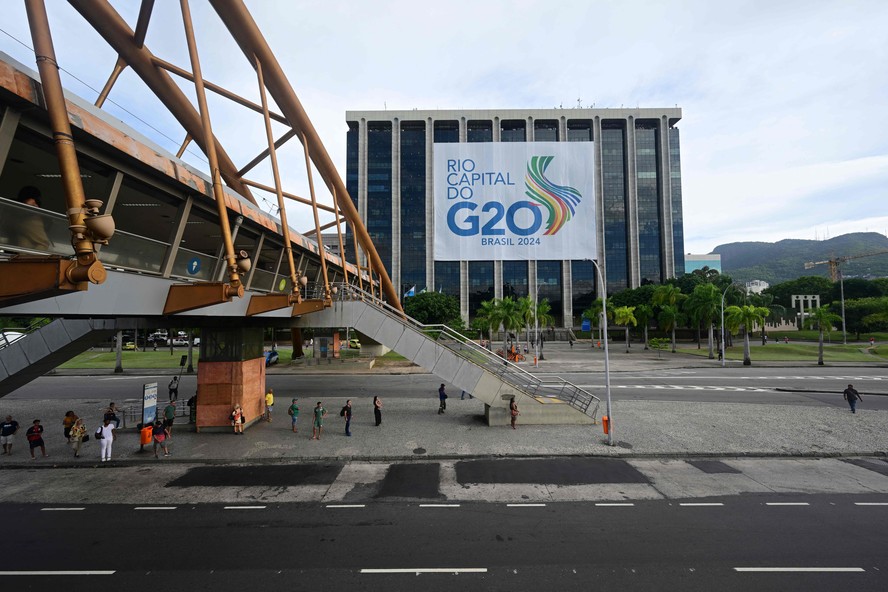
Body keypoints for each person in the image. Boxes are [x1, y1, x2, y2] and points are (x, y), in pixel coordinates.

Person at [12, 186, 50, 250]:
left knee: (25, 242)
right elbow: (43, 244)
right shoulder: (32, 219)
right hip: (27, 220)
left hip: (22, 254)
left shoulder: (13, 212)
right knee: (43, 244)